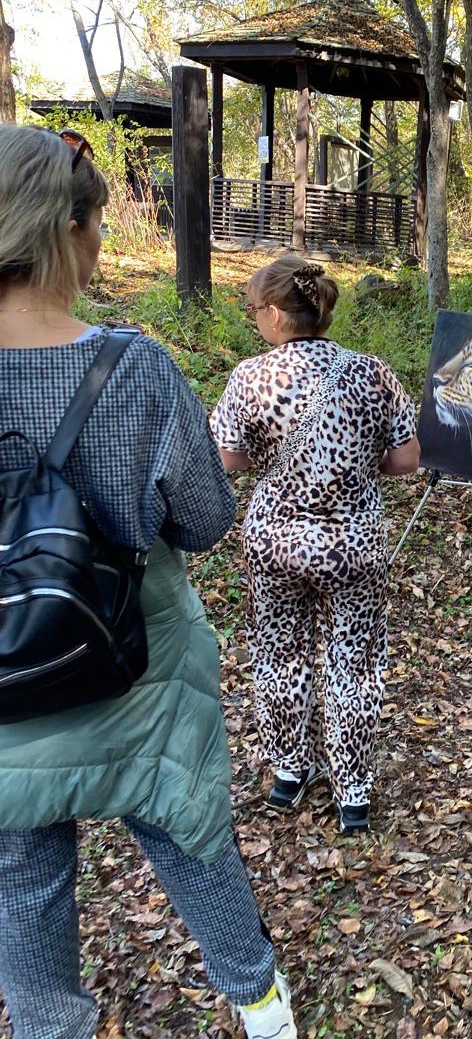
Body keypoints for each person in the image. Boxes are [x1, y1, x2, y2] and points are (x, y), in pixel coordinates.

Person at [0, 126, 297, 1039]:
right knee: (191, 841)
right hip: (135, 669)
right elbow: (206, 520)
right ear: (73, 230)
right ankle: (264, 1013)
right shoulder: (132, 366)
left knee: (24, 878)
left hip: (4, 685)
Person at [210, 255, 419, 834]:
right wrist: (353, 465)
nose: (254, 319)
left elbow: (226, 458)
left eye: (254, 309)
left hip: (275, 541)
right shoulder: (373, 373)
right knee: (355, 663)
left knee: (280, 657)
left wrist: (273, 464)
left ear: (277, 314)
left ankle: (288, 773)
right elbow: (405, 457)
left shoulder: (248, 378)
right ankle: (352, 793)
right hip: (353, 544)